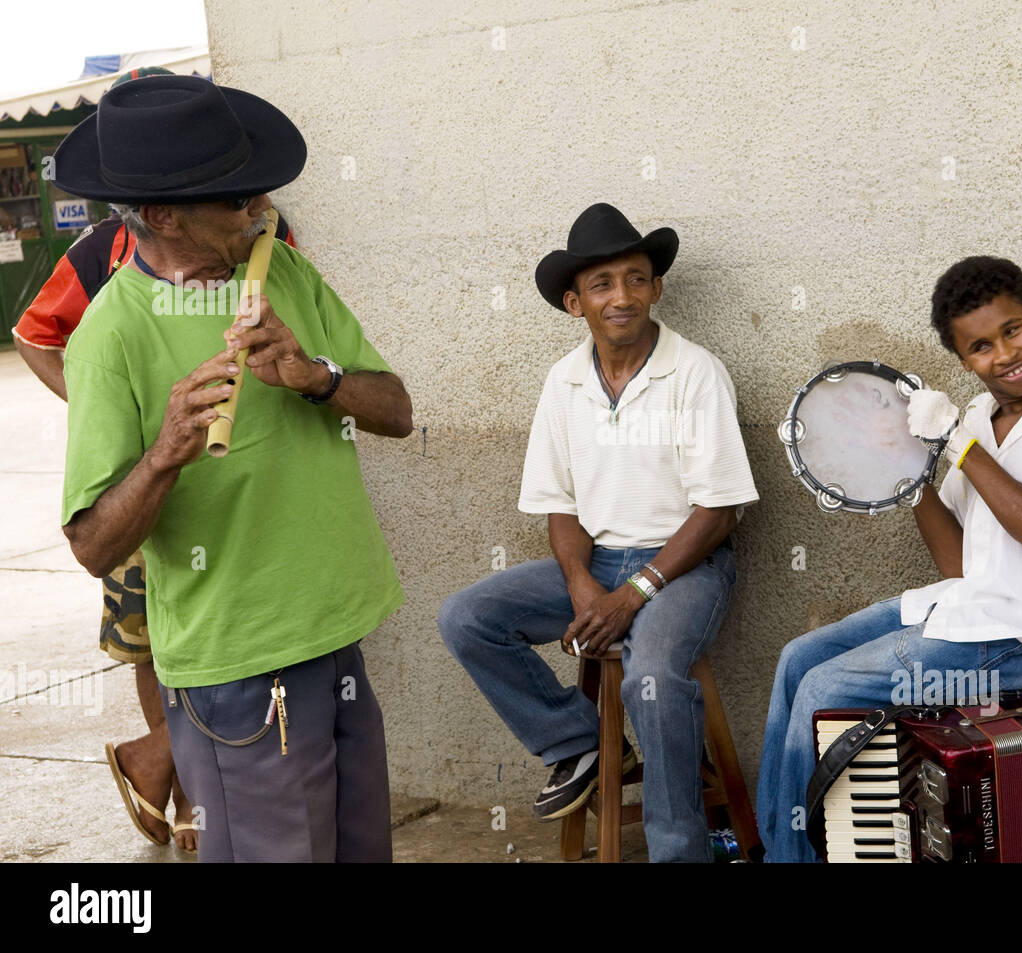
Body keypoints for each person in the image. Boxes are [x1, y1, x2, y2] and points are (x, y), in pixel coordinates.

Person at [54, 74, 411, 862]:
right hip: (236, 669)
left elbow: (398, 410)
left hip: (334, 635)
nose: (259, 211)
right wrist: (166, 452)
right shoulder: (110, 335)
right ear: (160, 215)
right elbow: (93, 547)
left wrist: (320, 378)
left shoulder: (284, 273)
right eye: (238, 200)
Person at [757, 255, 1022, 862]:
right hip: (966, 606)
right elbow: (959, 564)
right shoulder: (978, 417)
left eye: (1013, 330)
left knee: (825, 689)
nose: (1005, 355)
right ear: (964, 360)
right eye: (981, 348)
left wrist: (962, 446)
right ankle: (776, 847)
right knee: (797, 658)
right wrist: (913, 469)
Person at [13, 76, 298, 855]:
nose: (250, 207)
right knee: (150, 637)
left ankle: (166, 767)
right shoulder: (101, 253)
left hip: (249, 485)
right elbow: (36, 332)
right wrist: (103, 412)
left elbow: (298, 323)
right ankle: (179, 781)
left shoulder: (268, 237)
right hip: (146, 479)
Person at [438, 203, 758, 862]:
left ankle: (680, 851)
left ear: (657, 288)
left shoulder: (695, 372)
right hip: (600, 564)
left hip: (686, 566)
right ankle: (580, 741)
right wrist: (583, 583)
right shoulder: (565, 382)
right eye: (603, 284)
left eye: (636, 279)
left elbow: (718, 511)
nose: (622, 297)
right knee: (466, 616)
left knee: (652, 675)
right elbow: (561, 507)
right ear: (573, 301)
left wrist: (635, 590)